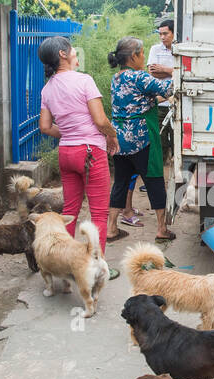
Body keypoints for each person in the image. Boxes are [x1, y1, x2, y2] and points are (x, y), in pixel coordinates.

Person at [37, 37, 119, 270]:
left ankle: (65, 264)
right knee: (99, 212)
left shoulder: (48, 88)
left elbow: (44, 126)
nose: (75, 51)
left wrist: (70, 133)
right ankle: (97, 266)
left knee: (70, 210)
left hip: (66, 152)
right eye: (71, 48)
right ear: (63, 54)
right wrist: (112, 135)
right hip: (90, 152)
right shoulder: (84, 80)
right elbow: (100, 120)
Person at [107, 37, 175, 242]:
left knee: (120, 182)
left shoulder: (117, 78)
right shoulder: (139, 77)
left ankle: (111, 228)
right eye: (142, 53)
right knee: (154, 181)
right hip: (141, 138)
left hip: (120, 141)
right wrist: (175, 70)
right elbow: (169, 89)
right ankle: (162, 229)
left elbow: (142, 100)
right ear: (134, 56)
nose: (144, 57)